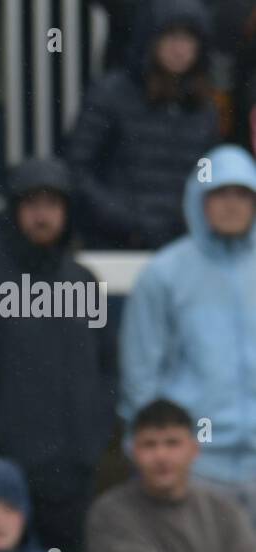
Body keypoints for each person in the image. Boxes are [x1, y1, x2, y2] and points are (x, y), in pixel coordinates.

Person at [0, 158, 117, 552]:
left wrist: (89, 443)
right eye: (33, 203)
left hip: (69, 480)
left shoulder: (84, 282)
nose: (43, 214)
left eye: (53, 204)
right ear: (15, 210)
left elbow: (109, 369)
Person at [119, 144, 256, 526]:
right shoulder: (164, 274)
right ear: (199, 200)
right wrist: (153, 451)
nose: (232, 205)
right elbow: (140, 375)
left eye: (243, 194)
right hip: (196, 466)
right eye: (220, 194)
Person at [64, 0, 219, 249]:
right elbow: (77, 170)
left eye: (189, 39)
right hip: (114, 243)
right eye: (171, 36)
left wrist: (190, 219)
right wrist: (126, 221)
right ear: (150, 39)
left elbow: (207, 176)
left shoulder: (204, 109)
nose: (180, 49)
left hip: (182, 245)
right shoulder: (109, 94)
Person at [87, 399, 256, 552]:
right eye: (150, 444)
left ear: (194, 450)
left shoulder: (224, 511)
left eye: (172, 443)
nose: (161, 456)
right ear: (133, 452)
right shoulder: (109, 513)